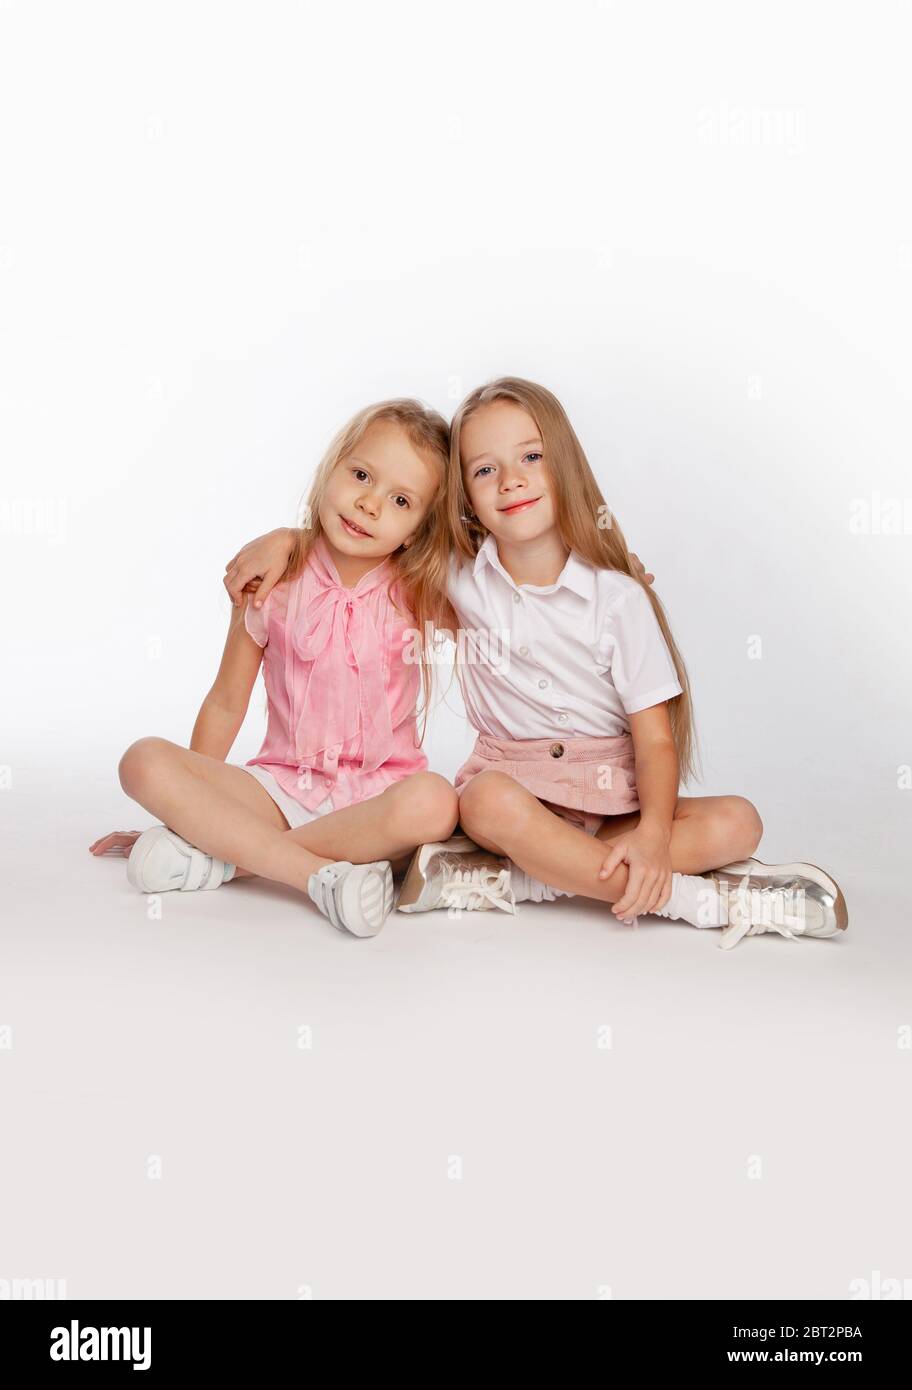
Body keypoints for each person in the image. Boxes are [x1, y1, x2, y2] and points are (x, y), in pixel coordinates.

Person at [227, 379, 848, 949]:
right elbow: (370, 552)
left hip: (614, 801)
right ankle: (698, 900)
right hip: (515, 792)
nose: (511, 481)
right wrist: (290, 538)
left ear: (566, 466)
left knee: (740, 823)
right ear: (464, 498)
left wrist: (654, 833)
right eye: (485, 469)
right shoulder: (457, 578)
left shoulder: (618, 599)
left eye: (531, 457)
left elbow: (654, 741)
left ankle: (526, 880)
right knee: (485, 802)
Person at [90, 400, 459, 937]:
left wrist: (203, 831)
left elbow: (506, 586)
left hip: (379, 805)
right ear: (330, 470)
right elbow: (226, 699)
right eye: (360, 475)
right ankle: (316, 875)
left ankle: (230, 857)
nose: (369, 504)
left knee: (436, 803)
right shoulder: (273, 581)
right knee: (141, 760)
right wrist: (188, 808)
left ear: (417, 529)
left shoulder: (423, 590)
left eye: (400, 500)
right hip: (281, 792)